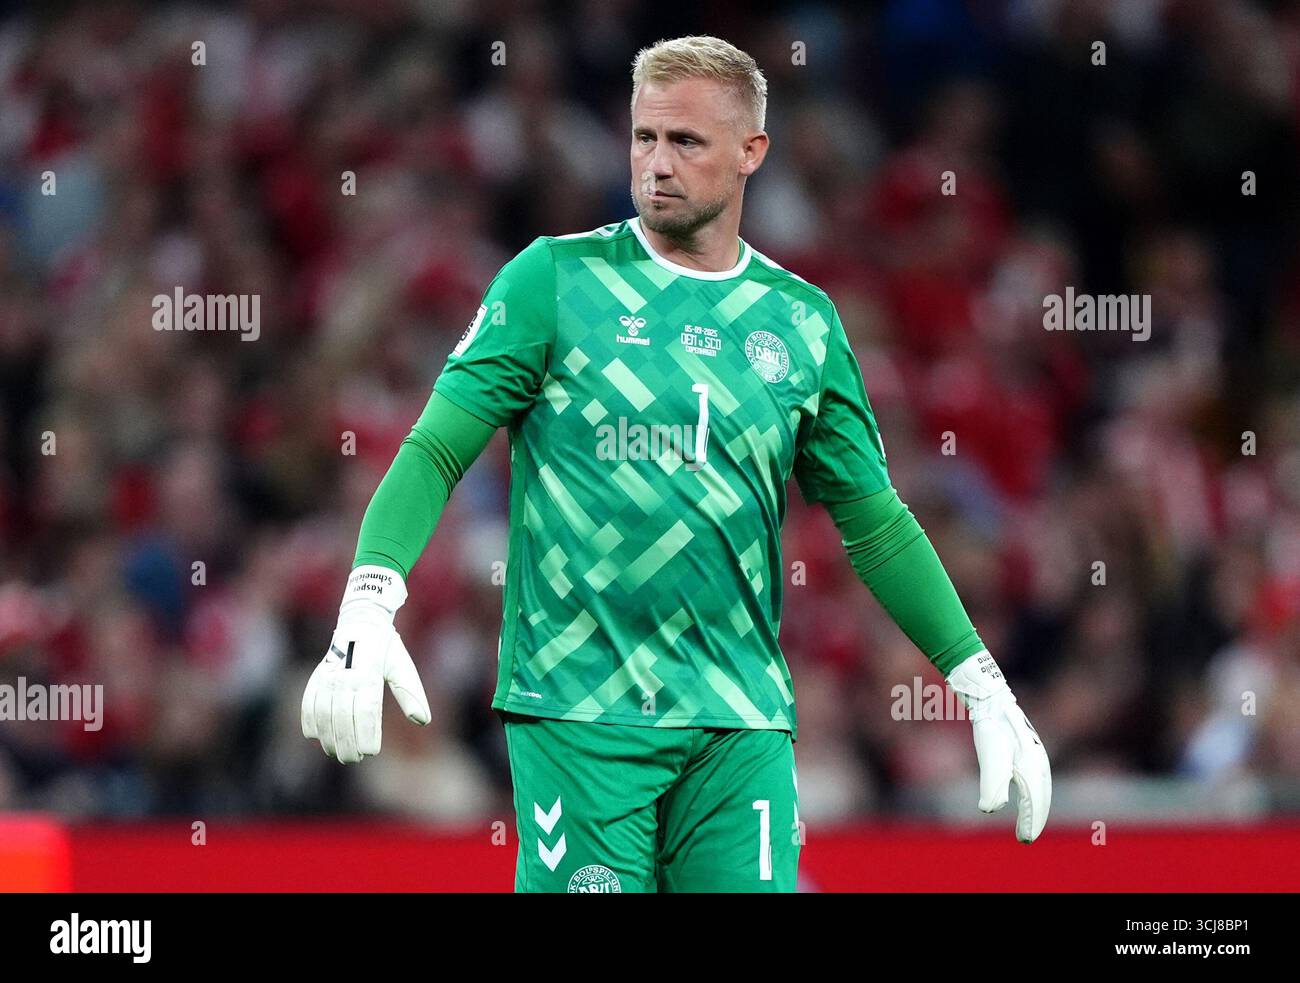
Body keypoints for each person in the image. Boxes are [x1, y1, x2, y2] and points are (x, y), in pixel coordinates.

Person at [301, 35, 1050, 893]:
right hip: (580, 706)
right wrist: (369, 601)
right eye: (643, 137)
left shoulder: (801, 325)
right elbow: (434, 450)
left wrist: (979, 680)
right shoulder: (551, 281)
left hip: (740, 719)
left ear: (750, 153)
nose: (656, 163)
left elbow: (875, 524)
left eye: (685, 142)